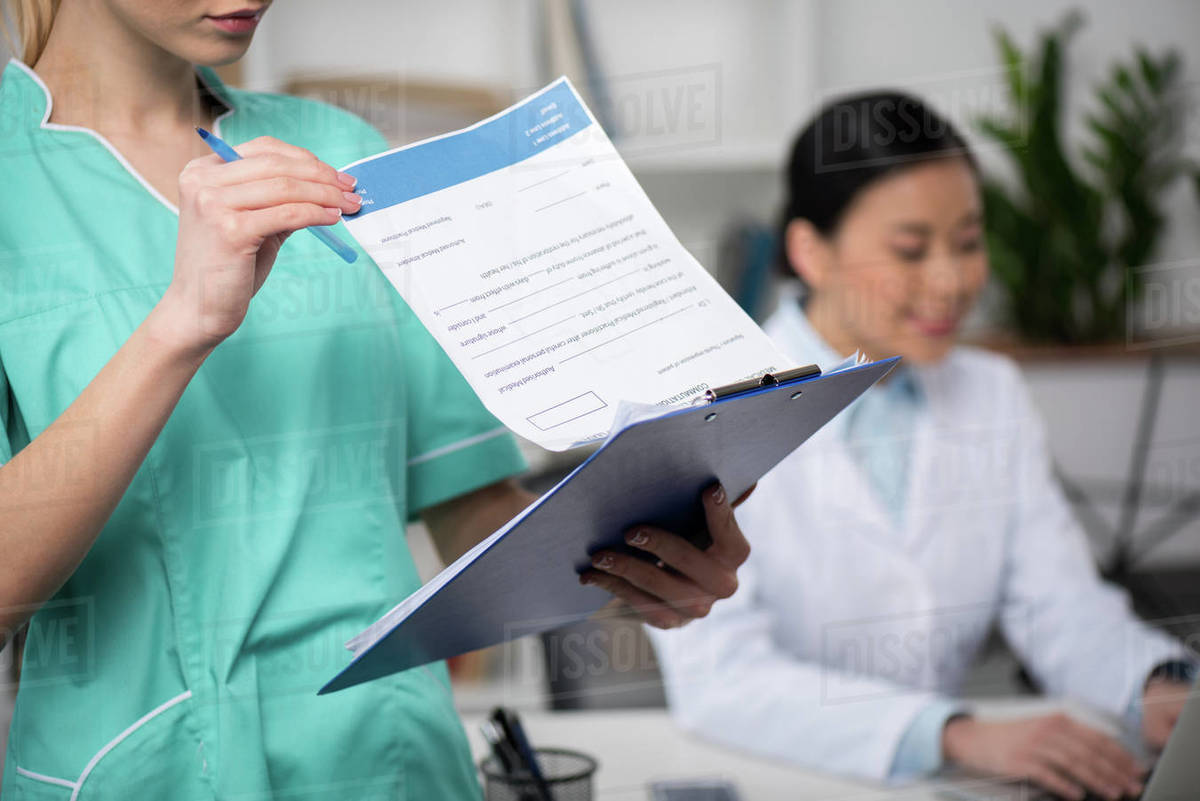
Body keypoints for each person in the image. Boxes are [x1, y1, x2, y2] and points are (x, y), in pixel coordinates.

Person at [0, 2, 752, 797]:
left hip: (395, 764)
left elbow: (468, 506)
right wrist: (181, 326)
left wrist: (639, 563)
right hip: (137, 774)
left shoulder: (337, 155)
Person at [648, 91, 1196, 801]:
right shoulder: (704, 410)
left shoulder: (993, 391)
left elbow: (1059, 604)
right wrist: (952, 732)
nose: (953, 280)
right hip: (785, 780)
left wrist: (1156, 687)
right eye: (911, 249)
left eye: (968, 242)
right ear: (810, 251)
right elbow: (721, 675)